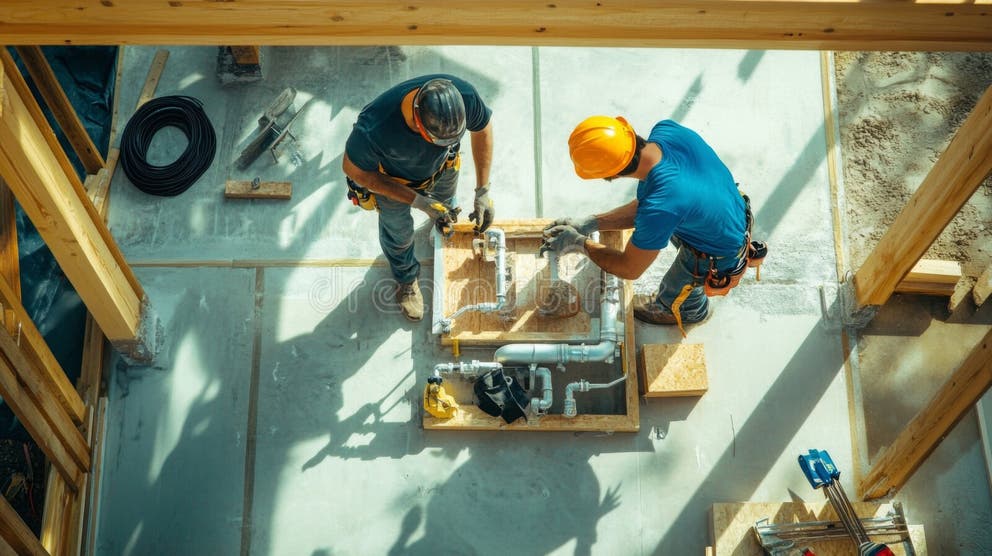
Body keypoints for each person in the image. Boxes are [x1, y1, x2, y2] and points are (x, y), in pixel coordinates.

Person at [541, 116, 765, 334]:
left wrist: (580, 243)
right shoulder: (667, 130)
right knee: (662, 216)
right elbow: (651, 205)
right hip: (728, 209)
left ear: (612, 174)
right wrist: (591, 223)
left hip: (720, 252)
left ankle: (688, 311)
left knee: (678, 290)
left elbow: (629, 268)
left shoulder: (663, 205)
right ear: (628, 133)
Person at [343, 75, 495, 321]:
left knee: (445, 205)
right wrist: (420, 202)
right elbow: (356, 172)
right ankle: (406, 279)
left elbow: (482, 128)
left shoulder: (462, 96)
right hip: (393, 184)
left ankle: (442, 218)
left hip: (444, 167)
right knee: (399, 235)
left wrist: (483, 190)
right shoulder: (374, 129)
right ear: (417, 121)